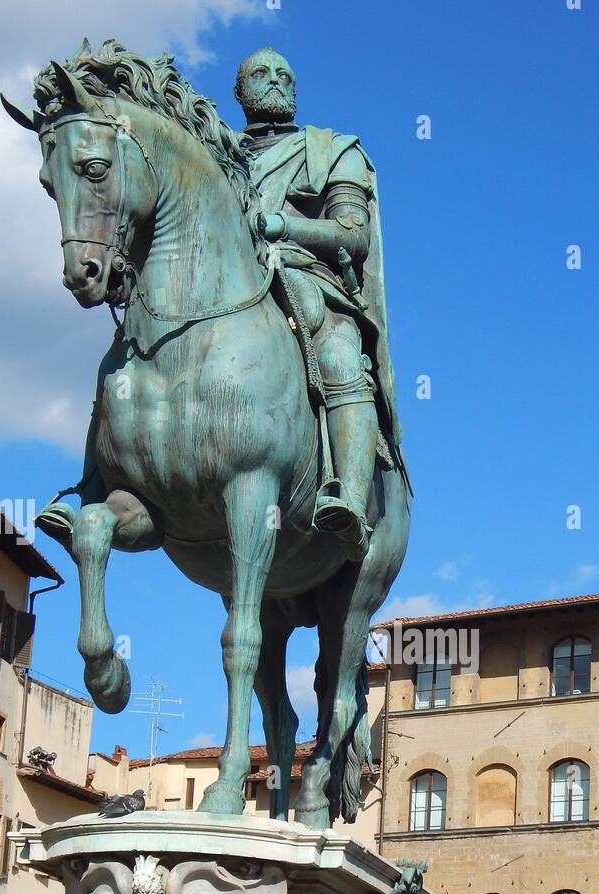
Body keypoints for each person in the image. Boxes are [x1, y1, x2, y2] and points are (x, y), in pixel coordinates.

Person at [235, 46, 405, 561]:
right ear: (240, 92)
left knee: (338, 353)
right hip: (230, 279)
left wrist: (285, 226)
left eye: (285, 74)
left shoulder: (333, 149)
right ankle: (93, 483)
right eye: (260, 74)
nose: (275, 81)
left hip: (308, 277)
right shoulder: (217, 149)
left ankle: (351, 500)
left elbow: (352, 236)